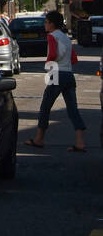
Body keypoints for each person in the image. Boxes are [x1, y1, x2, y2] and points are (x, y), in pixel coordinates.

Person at [26, 10, 85, 152]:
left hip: (56, 74)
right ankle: (80, 142)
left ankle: (39, 139)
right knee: (72, 109)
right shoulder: (65, 38)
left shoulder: (52, 36)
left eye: (46, 22)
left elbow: (52, 53)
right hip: (69, 75)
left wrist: (48, 64)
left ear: (51, 24)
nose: (45, 25)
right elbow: (74, 59)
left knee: (45, 107)